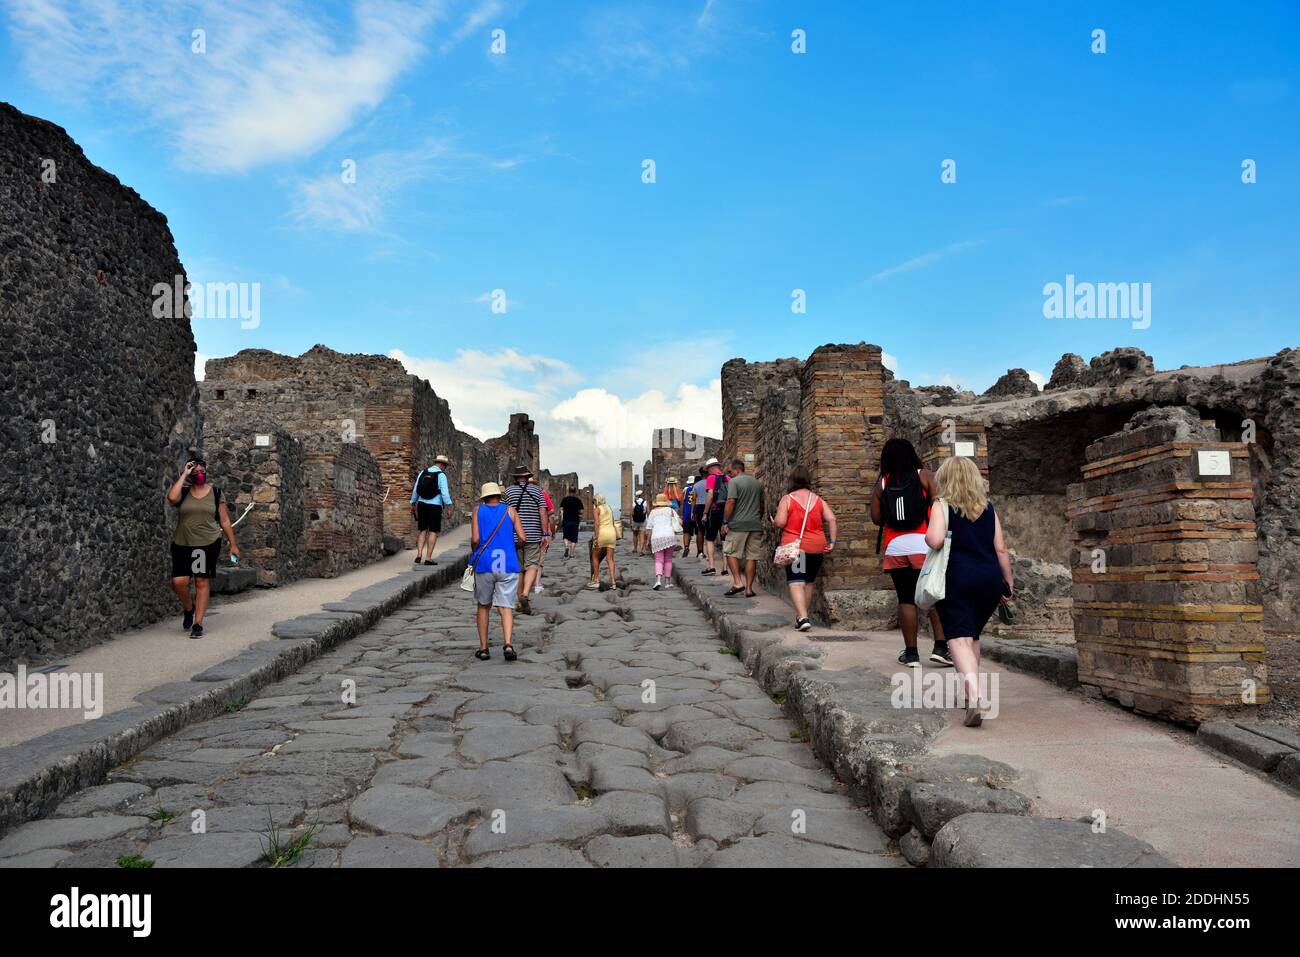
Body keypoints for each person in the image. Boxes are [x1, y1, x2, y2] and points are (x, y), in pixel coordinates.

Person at [925, 456, 1015, 727]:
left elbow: (935, 539)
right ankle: (969, 696)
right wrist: (1007, 584)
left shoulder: (942, 506)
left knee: (958, 638)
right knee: (972, 637)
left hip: (956, 578)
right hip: (988, 580)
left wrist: (929, 537)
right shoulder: (988, 508)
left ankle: (975, 696)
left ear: (946, 479)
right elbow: (1000, 548)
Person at [872, 438, 951, 668]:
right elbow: (940, 504)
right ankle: (940, 648)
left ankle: (911, 653)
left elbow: (876, 518)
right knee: (933, 595)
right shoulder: (924, 476)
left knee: (906, 598)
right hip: (924, 544)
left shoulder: (883, 484)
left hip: (895, 547)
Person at [166, 455, 240, 639]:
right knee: (179, 582)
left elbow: (224, 519)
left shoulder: (215, 492)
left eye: (201, 470)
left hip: (205, 544)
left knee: (201, 581)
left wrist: (233, 545)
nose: (198, 473)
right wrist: (184, 474)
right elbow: (171, 498)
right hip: (182, 543)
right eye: (195, 470)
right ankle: (188, 609)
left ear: (206, 471)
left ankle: (198, 624)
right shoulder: (183, 490)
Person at [772, 467, 837, 630]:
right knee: (808, 582)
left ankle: (803, 618)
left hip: (797, 548)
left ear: (792, 481)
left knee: (796, 581)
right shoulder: (818, 499)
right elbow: (832, 519)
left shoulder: (787, 499)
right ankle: (802, 616)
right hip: (817, 547)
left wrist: (774, 520)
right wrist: (833, 542)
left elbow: (780, 522)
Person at [470, 482, 527, 662]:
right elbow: (523, 537)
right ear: (499, 495)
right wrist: (512, 546)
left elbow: (476, 539)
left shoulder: (478, 511)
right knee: (506, 606)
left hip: (485, 563)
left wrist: (475, 551)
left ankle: (484, 648)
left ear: (484, 497)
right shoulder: (511, 511)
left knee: (483, 605)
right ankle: (508, 644)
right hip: (507, 564)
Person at [503, 465, 550, 615]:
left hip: (514, 536)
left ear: (516, 477)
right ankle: (525, 595)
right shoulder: (537, 491)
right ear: (527, 477)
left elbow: (505, 513)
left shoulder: (508, 491)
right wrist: (545, 533)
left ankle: (519, 601)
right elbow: (543, 511)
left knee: (518, 568)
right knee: (532, 565)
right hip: (533, 534)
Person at [721, 459, 765, 597]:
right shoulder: (757, 483)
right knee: (752, 557)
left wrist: (725, 521)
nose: (730, 474)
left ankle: (738, 582)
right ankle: (749, 589)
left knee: (730, 552)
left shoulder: (734, 482)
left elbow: (731, 501)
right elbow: (761, 505)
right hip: (755, 524)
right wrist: (757, 518)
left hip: (738, 524)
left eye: (730, 471)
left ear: (736, 470)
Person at [409, 453, 452, 565]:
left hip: (422, 504)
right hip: (435, 506)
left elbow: (416, 489)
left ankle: (419, 554)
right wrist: (449, 506)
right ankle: (428, 558)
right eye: (445, 466)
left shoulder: (423, 472)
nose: (445, 468)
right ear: (442, 465)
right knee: (433, 531)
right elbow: (445, 493)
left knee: (422, 530)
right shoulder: (441, 475)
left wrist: (413, 503)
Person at [645, 493, 681, 590]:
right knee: (668, 560)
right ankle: (668, 582)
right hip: (669, 536)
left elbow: (649, 528)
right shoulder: (671, 510)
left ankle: (658, 580)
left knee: (658, 560)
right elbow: (679, 522)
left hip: (656, 537)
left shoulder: (653, 512)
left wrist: (647, 541)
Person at [699, 458, 728, 576]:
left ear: (710, 468)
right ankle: (725, 568)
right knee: (725, 540)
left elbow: (710, 495)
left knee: (710, 539)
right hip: (726, 511)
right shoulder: (728, 478)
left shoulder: (711, 478)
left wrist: (705, 512)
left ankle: (711, 567)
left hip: (715, 510)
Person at [587, 492, 619, 589]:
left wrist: (596, 537)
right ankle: (613, 582)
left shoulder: (597, 509)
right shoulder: (609, 508)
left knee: (595, 556)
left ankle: (596, 580)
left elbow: (596, 524)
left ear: (597, 501)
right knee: (610, 559)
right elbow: (613, 521)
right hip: (612, 534)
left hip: (602, 534)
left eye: (594, 501)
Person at [558, 487, 584, 558]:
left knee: (565, 536)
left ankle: (566, 546)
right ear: (575, 492)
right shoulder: (578, 500)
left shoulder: (564, 499)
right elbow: (581, 511)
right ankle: (572, 553)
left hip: (566, 521)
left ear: (568, 491)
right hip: (575, 521)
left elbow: (561, 509)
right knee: (574, 538)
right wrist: (577, 511)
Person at [680, 475, 698, 557]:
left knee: (686, 532)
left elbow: (683, 503)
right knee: (699, 532)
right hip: (696, 512)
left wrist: (682, 514)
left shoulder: (685, 490)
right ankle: (699, 550)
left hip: (687, 513)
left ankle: (686, 547)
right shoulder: (697, 488)